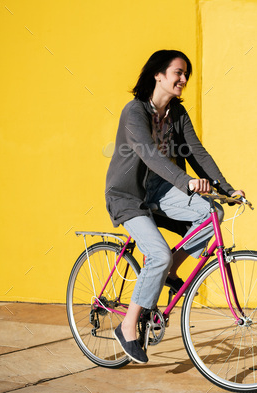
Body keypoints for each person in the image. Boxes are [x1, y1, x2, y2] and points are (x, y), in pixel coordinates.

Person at [105, 49, 244, 364]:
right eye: (178, 73)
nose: (183, 79)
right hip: (127, 195)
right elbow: (150, 155)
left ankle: (168, 271)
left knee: (213, 212)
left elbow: (197, 153)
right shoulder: (134, 111)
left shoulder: (177, 114)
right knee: (157, 252)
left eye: (186, 75)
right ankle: (127, 327)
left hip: (160, 189)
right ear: (158, 74)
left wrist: (226, 188)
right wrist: (187, 183)